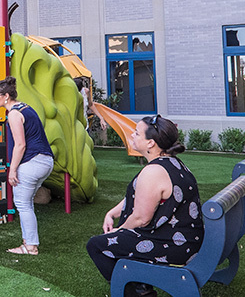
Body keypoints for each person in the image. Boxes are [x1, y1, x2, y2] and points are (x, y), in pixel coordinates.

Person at [86, 115, 202, 297]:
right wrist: (112, 213)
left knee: (97, 245)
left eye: (137, 133)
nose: (132, 135)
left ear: (150, 143)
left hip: (175, 246)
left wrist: (119, 231)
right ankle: (140, 285)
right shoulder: (173, 163)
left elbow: (141, 218)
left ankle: (139, 291)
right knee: (114, 240)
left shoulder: (153, 172)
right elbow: (143, 196)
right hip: (186, 240)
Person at [0, 76, 54, 255]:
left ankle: (31, 246)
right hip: (46, 161)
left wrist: (12, 170)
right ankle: (28, 242)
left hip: (32, 162)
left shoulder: (13, 114)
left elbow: (20, 145)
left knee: (23, 204)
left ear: (6, 96)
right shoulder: (25, 107)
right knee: (26, 203)